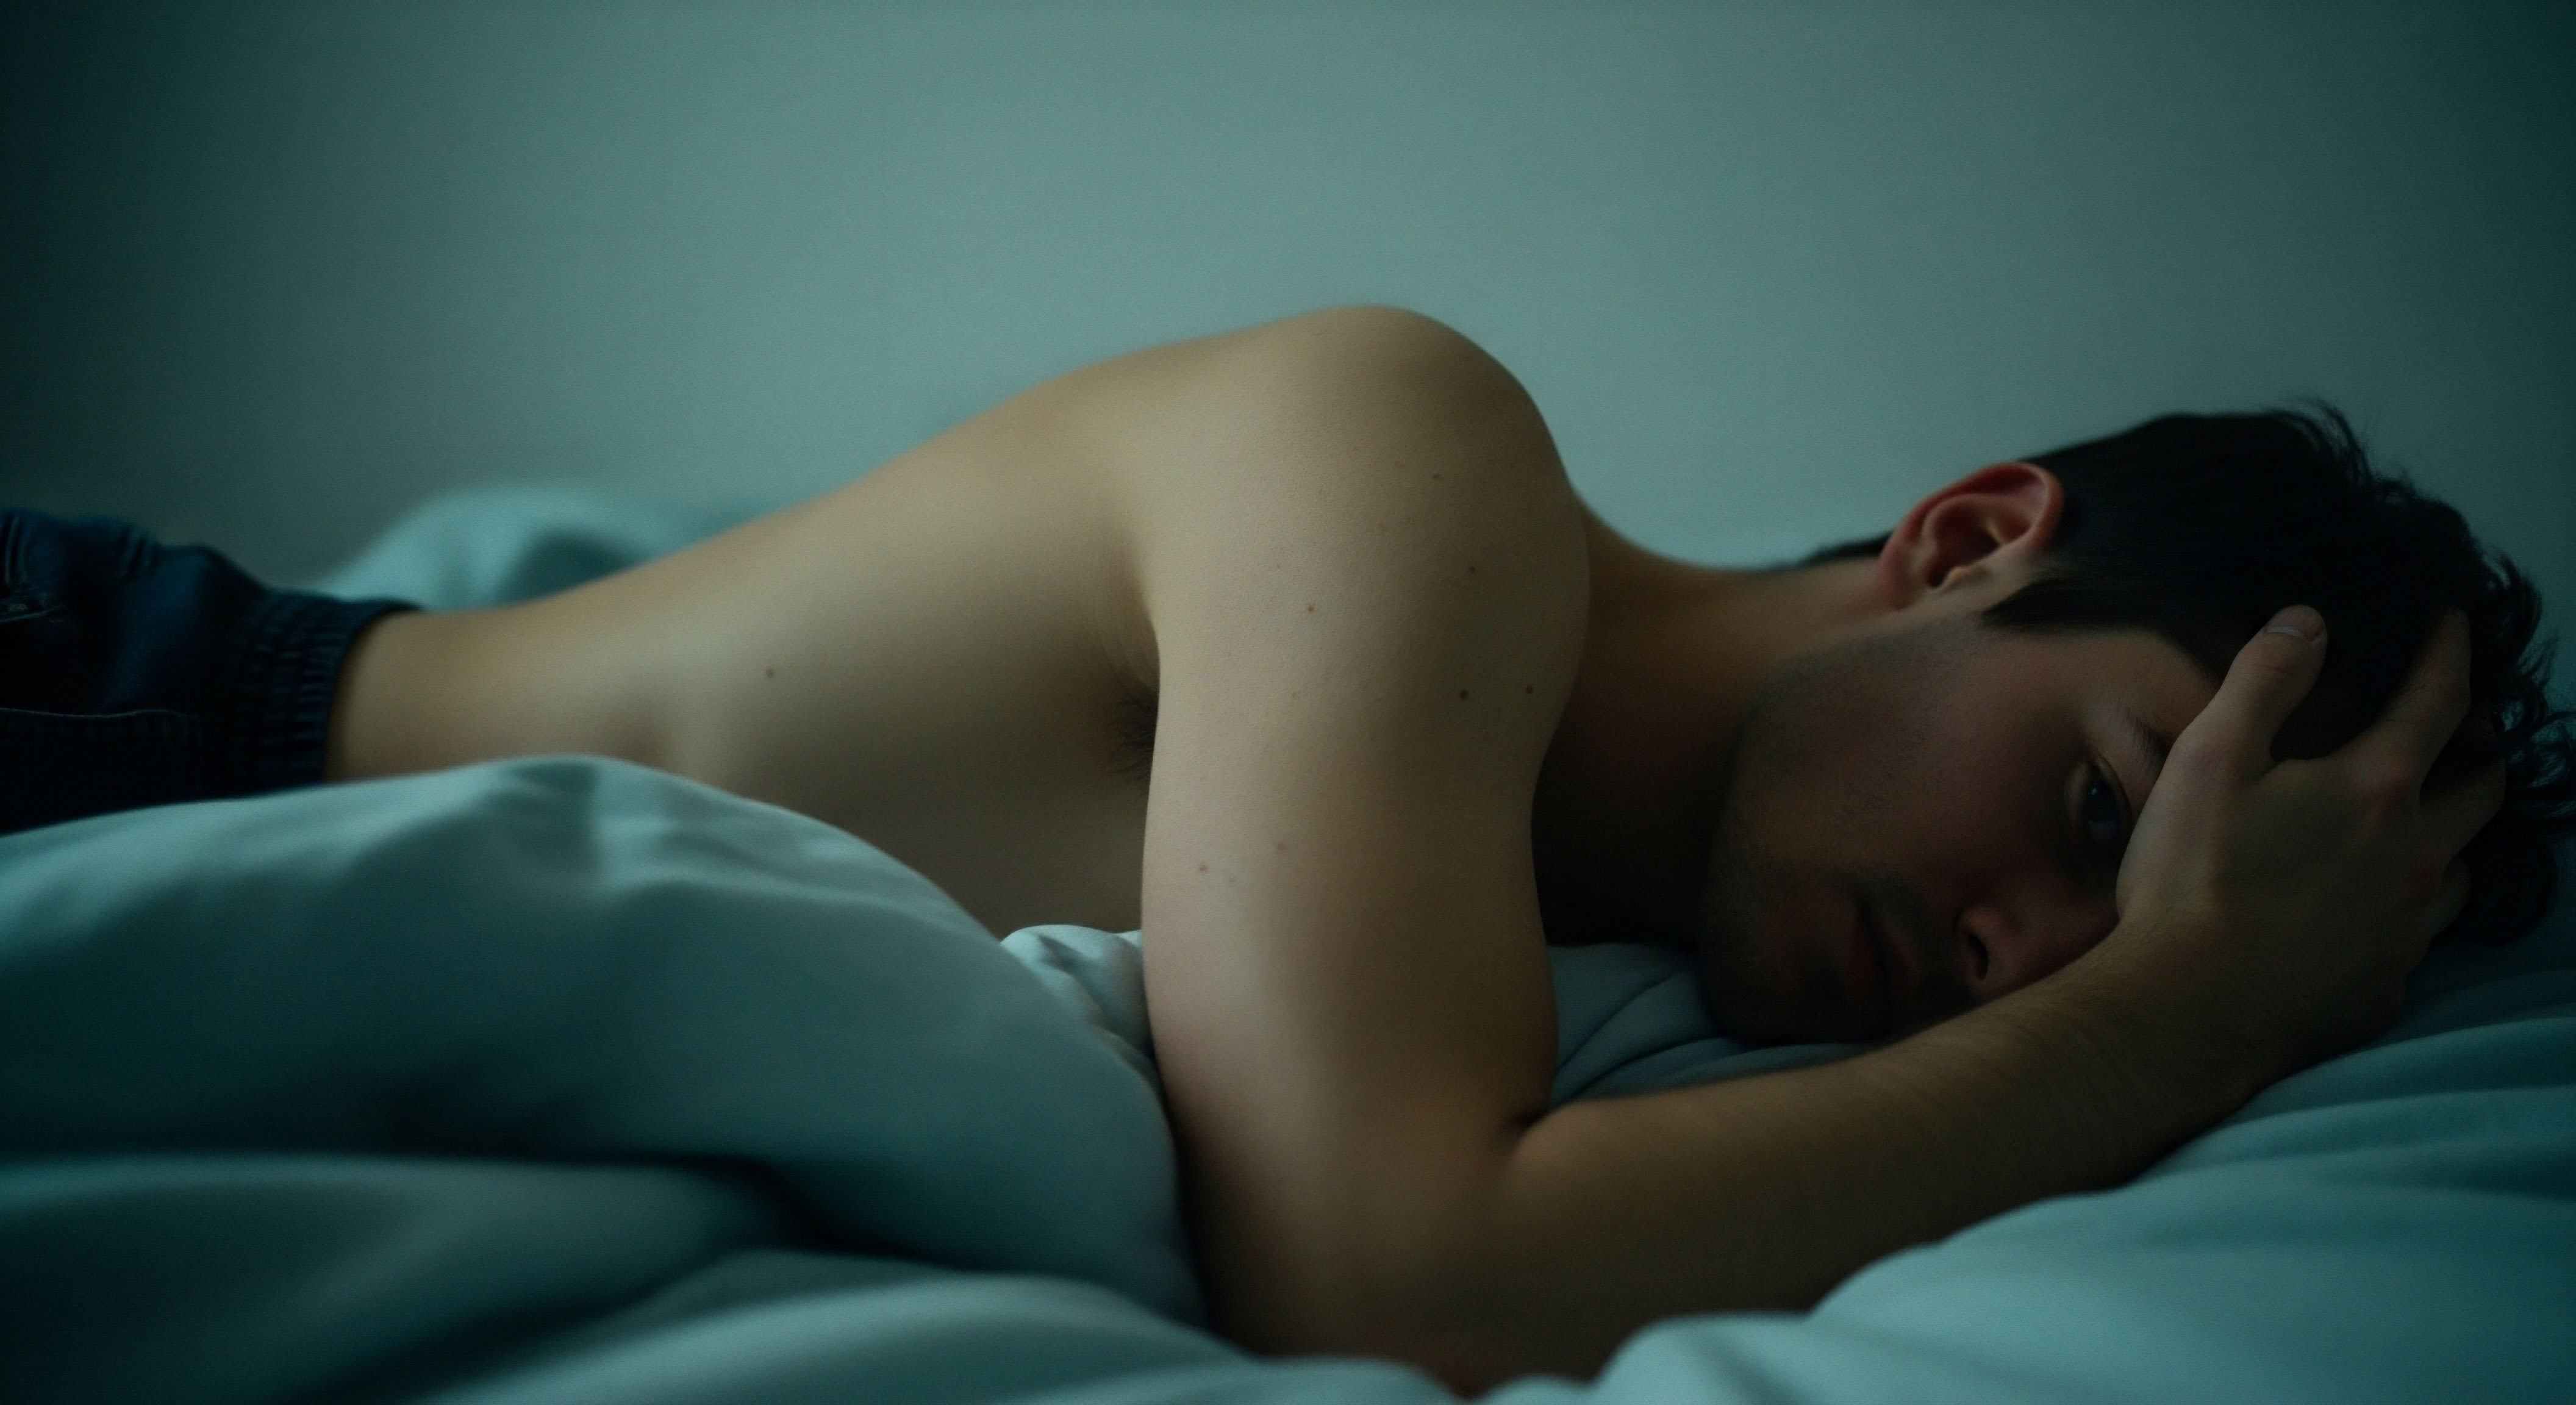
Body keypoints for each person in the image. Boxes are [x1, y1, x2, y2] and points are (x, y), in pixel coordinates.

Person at [2, 305, 2569, 1388]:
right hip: (131, 719)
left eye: (2080, 958)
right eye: (2094, 812)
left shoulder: (1585, 950)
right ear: (1971, 536)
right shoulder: (1418, 454)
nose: (2013, 958)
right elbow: (1385, 1274)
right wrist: (2178, 1010)